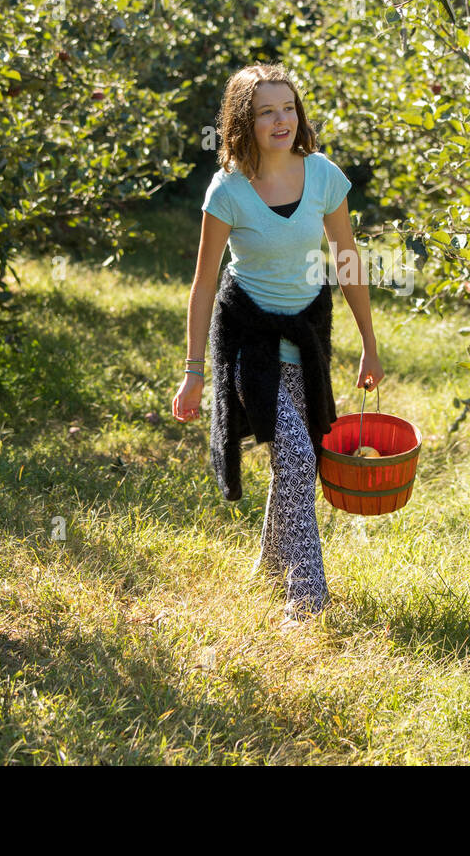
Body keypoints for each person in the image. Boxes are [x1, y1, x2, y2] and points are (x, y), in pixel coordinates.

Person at [172, 63, 384, 627]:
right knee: (295, 452)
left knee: (296, 458)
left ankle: (268, 564)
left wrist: (369, 341)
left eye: (288, 107)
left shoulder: (322, 176)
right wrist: (194, 371)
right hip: (248, 338)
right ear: (245, 120)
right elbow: (203, 283)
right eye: (267, 111)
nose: (281, 119)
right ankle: (306, 596)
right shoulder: (229, 189)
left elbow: (347, 261)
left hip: (307, 338)